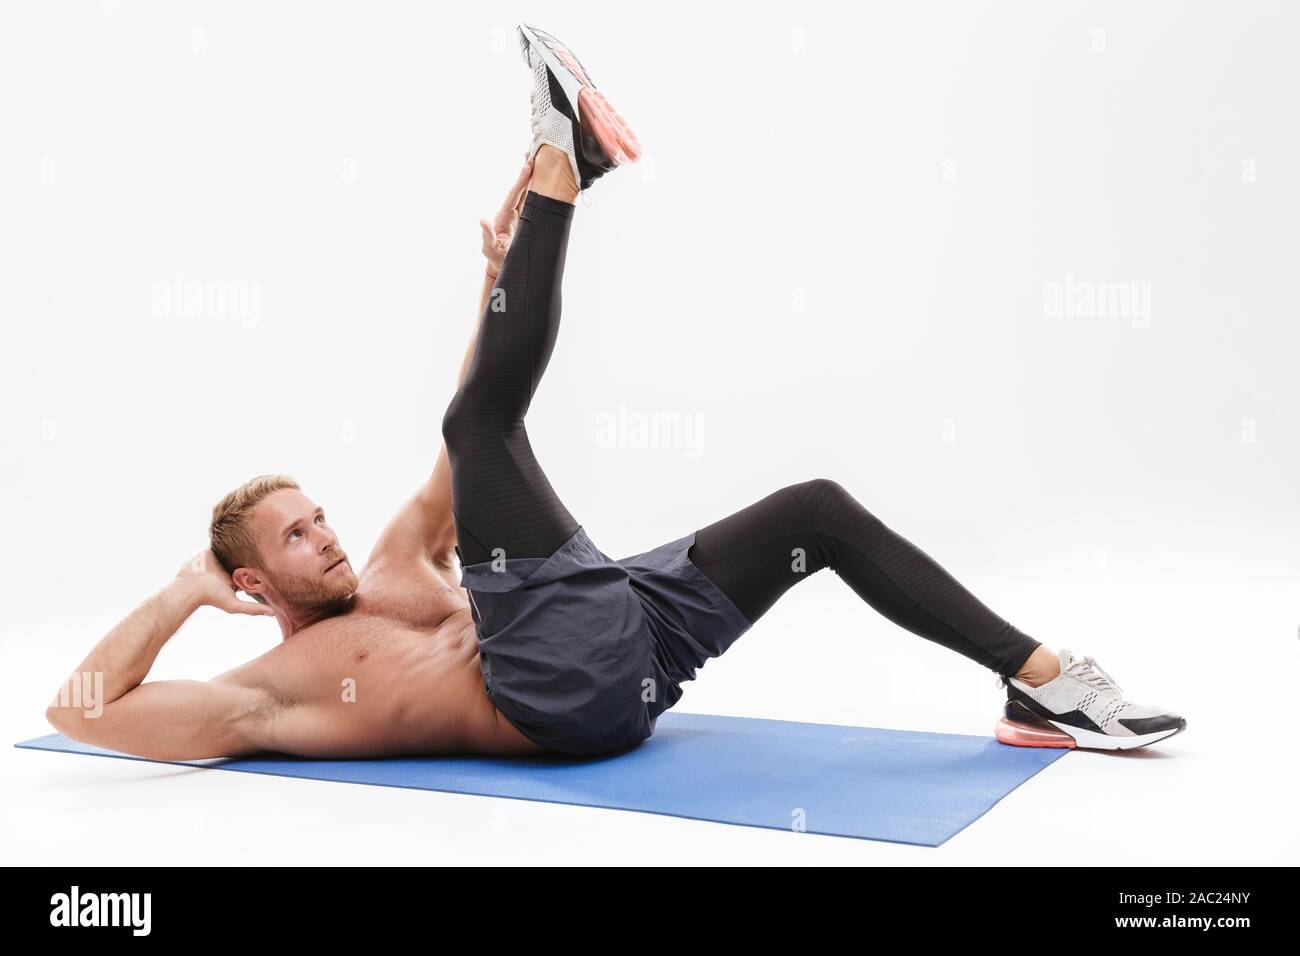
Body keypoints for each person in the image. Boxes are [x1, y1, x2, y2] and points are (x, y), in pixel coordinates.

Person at [45, 24, 1184, 762]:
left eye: (320, 512)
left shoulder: (401, 558)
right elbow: (78, 709)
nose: (329, 533)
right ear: (253, 577)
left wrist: (499, 278)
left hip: (630, 633)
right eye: (297, 534)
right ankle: (560, 163)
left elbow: (476, 429)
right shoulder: (268, 691)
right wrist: (181, 592)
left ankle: (1045, 686)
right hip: (564, 695)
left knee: (814, 510)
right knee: (481, 420)